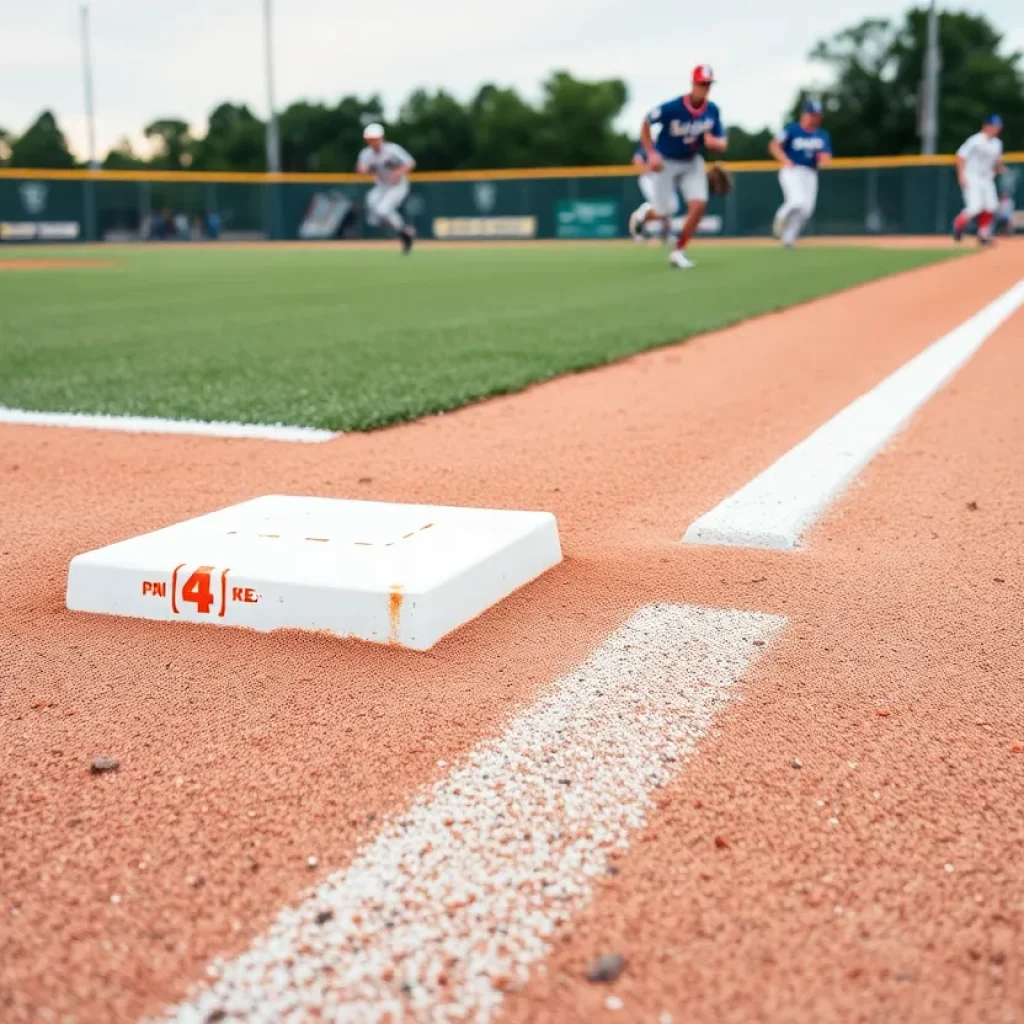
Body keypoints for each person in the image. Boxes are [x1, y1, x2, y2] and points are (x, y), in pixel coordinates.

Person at [632, 64, 728, 268]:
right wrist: (651, 153)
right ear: (693, 84)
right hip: (666, 161)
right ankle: (642, 215)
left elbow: (722, 141)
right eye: (702, 83)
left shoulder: (712, 111)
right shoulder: (673, 107)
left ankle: (678, 251)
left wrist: (715, 143)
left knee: (699, 204)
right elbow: (646, 122)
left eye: (708, 84)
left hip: (692, 161)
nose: (705, 88)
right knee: (665, 210)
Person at [769, 100, 832, 247]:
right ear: (804, 114)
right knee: (797, 201)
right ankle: (780, 219)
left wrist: (822, 159)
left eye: (817, 115)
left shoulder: (822, 135)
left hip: (811, 173)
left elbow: (826, 155)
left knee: (806, 210)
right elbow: (773, 146)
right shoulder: (792, 129)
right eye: (812, 114)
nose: (815, 117)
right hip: (793, 170)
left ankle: (788, 240)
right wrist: (785, 160)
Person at [355, 123, 416, 253]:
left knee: (382, 210)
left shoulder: (392, 149)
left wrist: (398, 172)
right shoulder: (366, 154)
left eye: (375, 138)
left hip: (397, 186)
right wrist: (363, 170)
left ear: (381, 137)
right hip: (381, 186)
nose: (373, 141)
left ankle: (404, 232)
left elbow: (410, 162)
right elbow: (361, 168)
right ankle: (404, 231)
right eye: (370, 138)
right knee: (372, 204)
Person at [952, 114, 1004, 245]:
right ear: (986, 126)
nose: (996, 129)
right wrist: (961, 175)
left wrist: (1000, 169)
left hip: (987, 178)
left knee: (991, 206)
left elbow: (997, 162)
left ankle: (983, 234)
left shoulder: (997, 143)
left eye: (998, 127)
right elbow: (960, 156)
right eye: (993, 126)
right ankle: (958, 225)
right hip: (972, 176)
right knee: (975, 207)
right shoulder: (975, 140)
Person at [628, 139, 673, 244]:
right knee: (658, 204)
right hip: (649, 179)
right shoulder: (648, 148)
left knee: (668, 206)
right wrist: (650, 169)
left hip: (661, 179)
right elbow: (637, 160)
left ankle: (667, 234)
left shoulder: (664, 148)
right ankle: (640, 215)